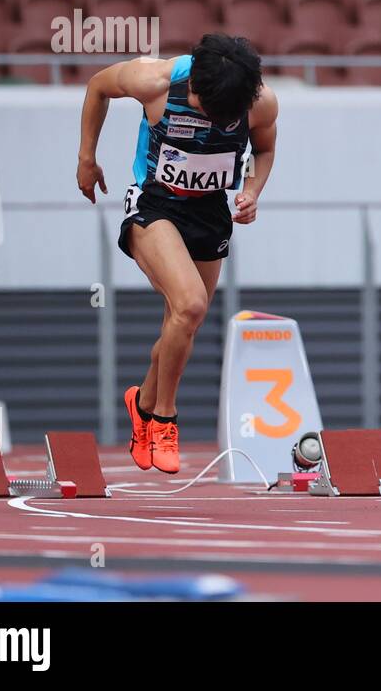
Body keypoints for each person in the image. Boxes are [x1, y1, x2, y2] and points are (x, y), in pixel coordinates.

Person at [76, 35, 277, 474]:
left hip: (208, 212)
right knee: (190, 303)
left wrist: (252, 191)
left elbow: (263, 148)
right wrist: (86, 158)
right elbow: (96, 87)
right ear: (195, 89)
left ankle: (141, 401)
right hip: (155, 205)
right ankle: (164, 418)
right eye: (208, 110)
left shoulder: (258, 104)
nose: (215, 120)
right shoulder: (154, 81)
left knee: (181, 322)